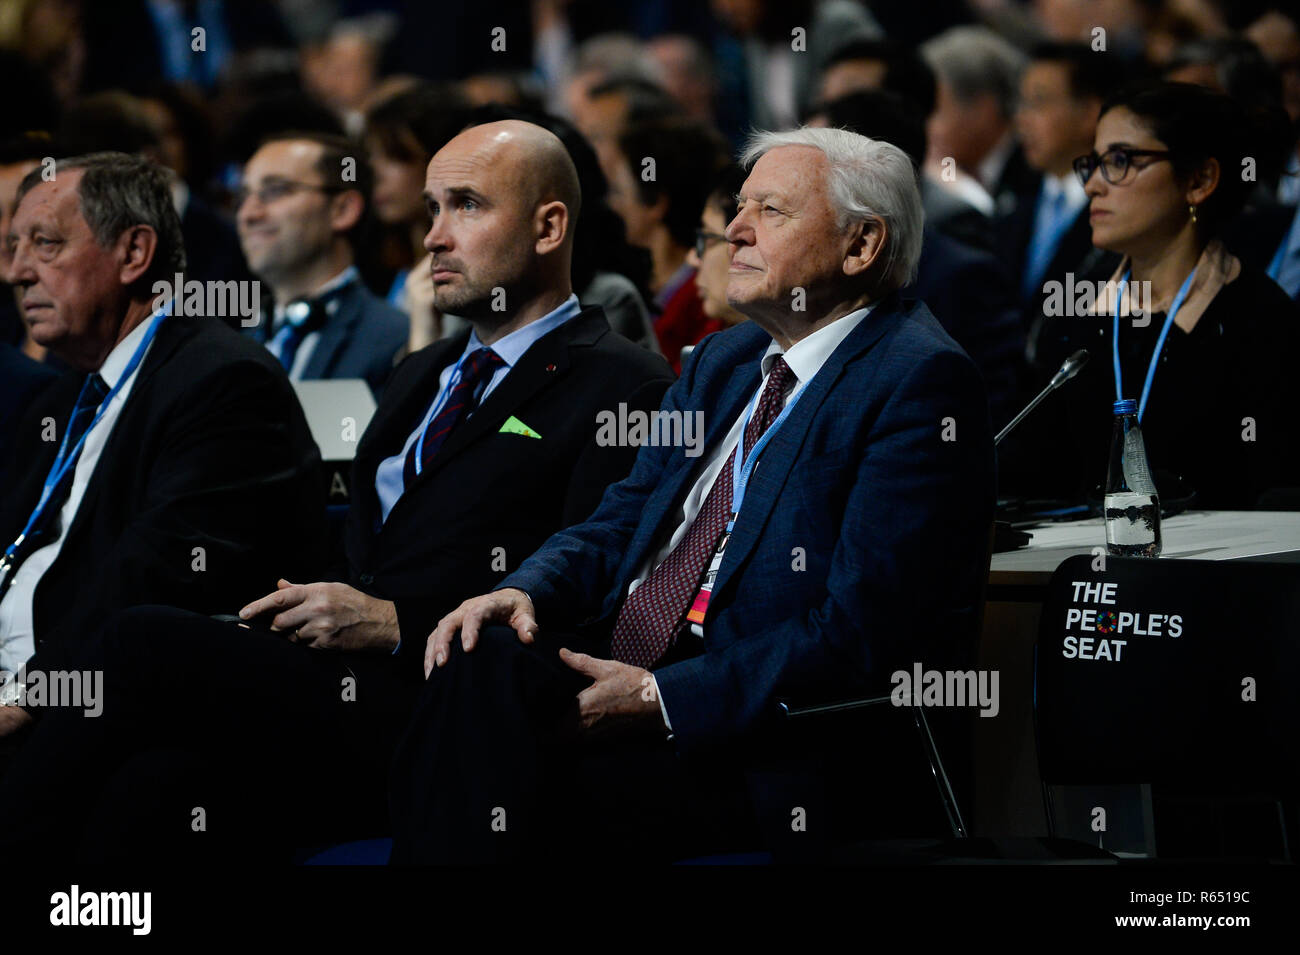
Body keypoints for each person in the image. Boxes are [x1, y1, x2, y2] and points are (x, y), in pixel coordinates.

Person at [0, 122, 674, 862]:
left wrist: (392, 622)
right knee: (156, 791)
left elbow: (594, 597)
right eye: (431, 209)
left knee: (139, 638)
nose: (435, 238)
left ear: (550, 226)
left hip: (448, 703)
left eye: (467, 206)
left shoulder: (624, 381)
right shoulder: (421, 374)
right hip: (337, 686)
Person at [391, 126, 996, 864]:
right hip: (627, 666)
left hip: (760, 741)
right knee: (479, 653)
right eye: (739, 208)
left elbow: (861, 634)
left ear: (861, 245)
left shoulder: (918, 381)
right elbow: (624, 514)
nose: (733, 232)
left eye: (768, 211)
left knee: (495, 781)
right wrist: (526, 588)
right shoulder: (723, 359)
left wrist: (663, 697)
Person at [0, 152, 324, 741]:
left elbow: (161, 574)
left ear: (133, 253)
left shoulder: (223, 381)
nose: (16, 271)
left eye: (44, 244)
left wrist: (31, 693)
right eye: (12, 247)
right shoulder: (57, 402)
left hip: (108, 709)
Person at [1026, 82, 1300, 508]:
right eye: (1094, 163)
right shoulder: (1072, 313)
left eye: (1120, 160)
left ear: (1199, 179)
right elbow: (1037, 481)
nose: (1094, 186)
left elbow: (1274, 491)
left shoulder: (1260, 320)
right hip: (1083, 565)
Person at [237, 132, 408, 397]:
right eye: (243, 195)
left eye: (275, 191)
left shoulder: (395, 340)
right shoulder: (238, 342)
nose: (249, 214)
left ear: (342, 210)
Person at [605, 117, 731, 372]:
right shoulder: (649, 285)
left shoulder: (709, 297)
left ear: (655, 203)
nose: (611, 205)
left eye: (619, 192)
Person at [922, 26, 1034, 218]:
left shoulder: (1033, 174)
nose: (928, 127)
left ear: (984, 109)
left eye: (937, 111)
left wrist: (963, 193)